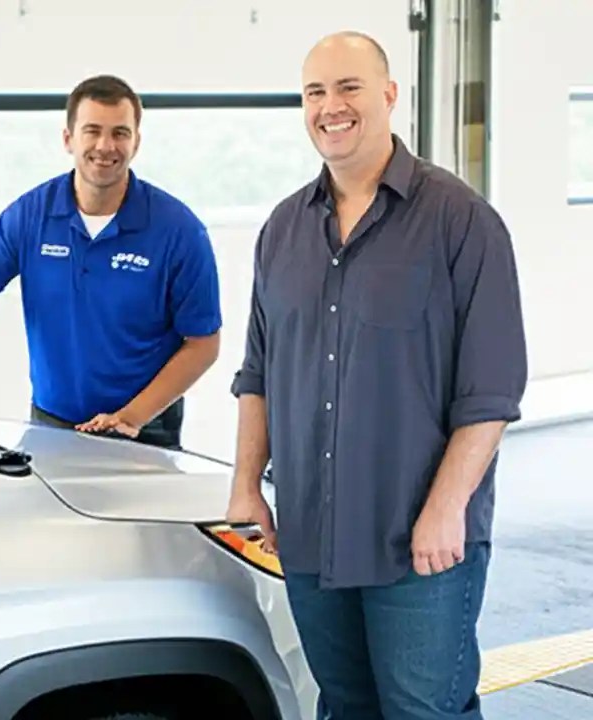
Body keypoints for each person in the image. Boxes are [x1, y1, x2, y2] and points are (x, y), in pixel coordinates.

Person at [225, 31, 527, 720]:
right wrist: (247, 484)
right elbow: (259, 372)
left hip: (418, 540)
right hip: (309, 536)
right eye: (314, 92)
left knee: (425, 710)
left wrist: (447, 509)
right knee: (343, 706)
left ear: (390, 95)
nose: (330, 106)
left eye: (349, 87)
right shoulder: (282, 230)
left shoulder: (462, 223)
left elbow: (491, 393)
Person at [0, 74, 222, 449]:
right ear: (68, 139)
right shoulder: (29, 216)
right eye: (92, 131)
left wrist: (131, 417)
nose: (105, 145)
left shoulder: (179, 231)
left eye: (120, 133)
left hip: (145, 430)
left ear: (136, 141)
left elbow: (203, 343)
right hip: (50, 425)